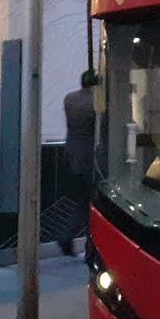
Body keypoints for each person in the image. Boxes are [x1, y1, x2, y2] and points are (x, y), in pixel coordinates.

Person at [60, 70, 98, 256]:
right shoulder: (96, 103)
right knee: (93, 205)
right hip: (90, 159)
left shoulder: (69, 99)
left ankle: (67, 236)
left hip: (72, 156)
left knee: (81, 203)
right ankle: (91, 246)